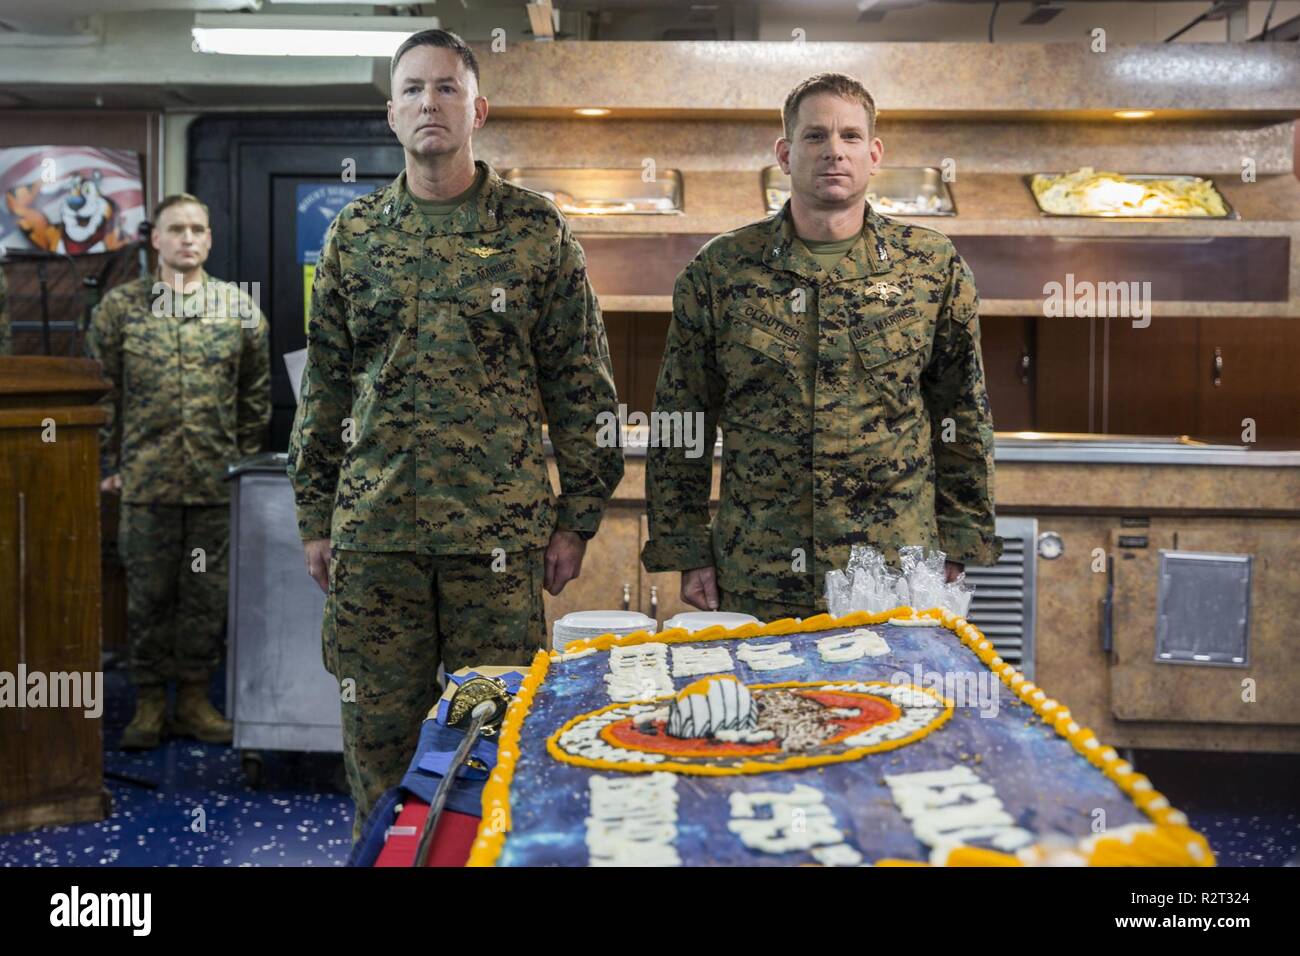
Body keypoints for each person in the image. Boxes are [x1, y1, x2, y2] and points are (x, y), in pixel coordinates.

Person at [287, 29, 623, 841]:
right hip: (377, 541)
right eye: (411, 90)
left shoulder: (534, 232)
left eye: (445, 88)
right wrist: (314, 518)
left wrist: (576, 517)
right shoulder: (355, 236)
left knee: (498, 746)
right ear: (391, 114)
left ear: (478, 108)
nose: (427, 103)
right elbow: (324, 390)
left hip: (497, 543)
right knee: (380, 752)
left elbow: (582, 386)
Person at [643, 72, 1000, 622]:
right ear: (785, 154)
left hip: (891, 571)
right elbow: (682, 419)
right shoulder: (722, 270)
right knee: (764, 709)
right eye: (815, 137)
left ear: (874, 154)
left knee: (895, 706)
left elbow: (962, 412)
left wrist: (962, 538)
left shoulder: (930, 267)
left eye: (850, 137)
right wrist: (686, 547)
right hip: (758, 569)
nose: (834, 151)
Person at [87, 192, 270, 749]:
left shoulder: (239, 310)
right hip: (143, 484)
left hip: (214, 487)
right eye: (177, 229)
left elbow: (255, 398)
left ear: (209, 239)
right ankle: (147, 703)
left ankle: (192, 698)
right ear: (156, 240)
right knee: (146, 595)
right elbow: (101, 394)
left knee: (204, 596)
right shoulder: (120, 309)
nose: (188, 238)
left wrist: (232, 459)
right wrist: (106, 463)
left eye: (197, 229)